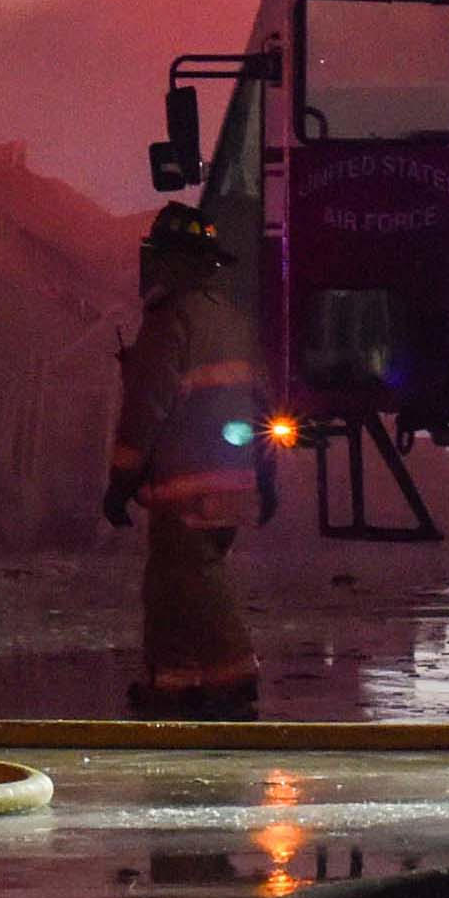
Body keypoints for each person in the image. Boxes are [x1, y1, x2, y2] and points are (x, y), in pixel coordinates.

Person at [105, 204, 272, 716]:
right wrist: (267, 477)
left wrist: (120, 481)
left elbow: (145, 410)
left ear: (174, 261)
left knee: (196, 576)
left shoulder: (169, 321)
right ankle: (173, 683)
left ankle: (235, 677)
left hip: (185, 484)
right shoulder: (234, 321)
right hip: (234, 478)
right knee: (168, 583)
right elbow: (262, 403)